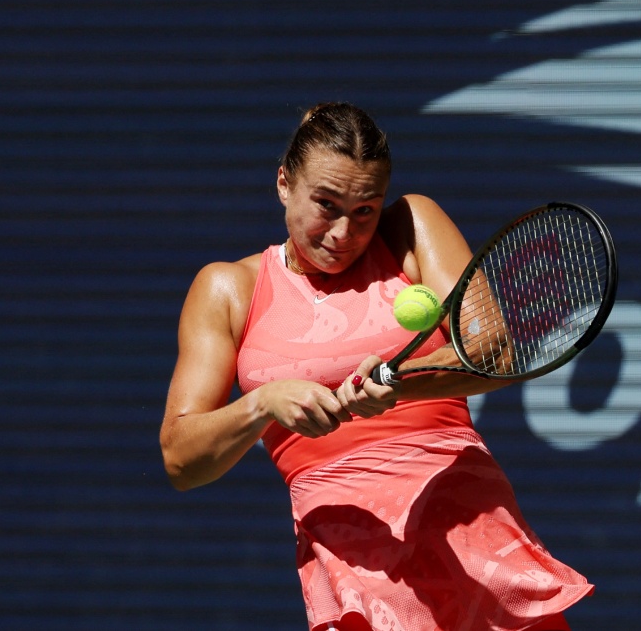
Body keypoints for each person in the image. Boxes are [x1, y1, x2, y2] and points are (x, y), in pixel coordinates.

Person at [160, 102, 593, 631]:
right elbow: (181, 459)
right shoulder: (228, 289)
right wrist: (260, 404)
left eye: (365, 209)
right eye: (326, 204)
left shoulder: (410, 228)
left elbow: (493, 354)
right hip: (352, 560)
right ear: (283, 184)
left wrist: (398, 383)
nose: (344, 231)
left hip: (469, 529)